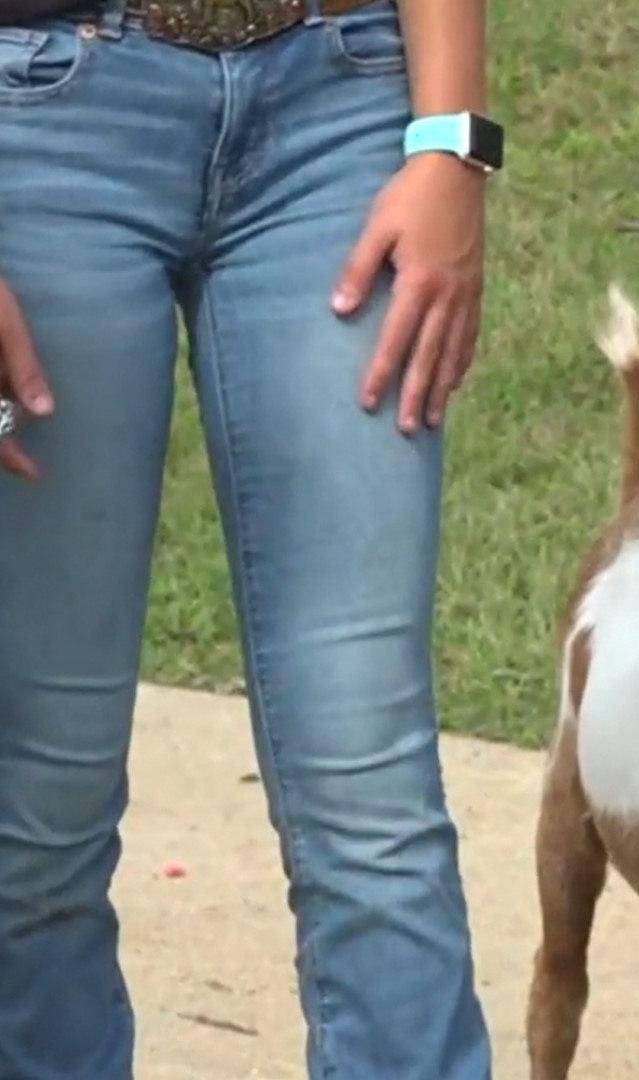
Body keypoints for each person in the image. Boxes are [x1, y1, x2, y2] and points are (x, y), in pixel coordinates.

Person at [0, 0, 501, 1076]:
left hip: (342, 104)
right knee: (39, 799)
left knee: (373, 792)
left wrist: (454, 139)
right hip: (36, 120)